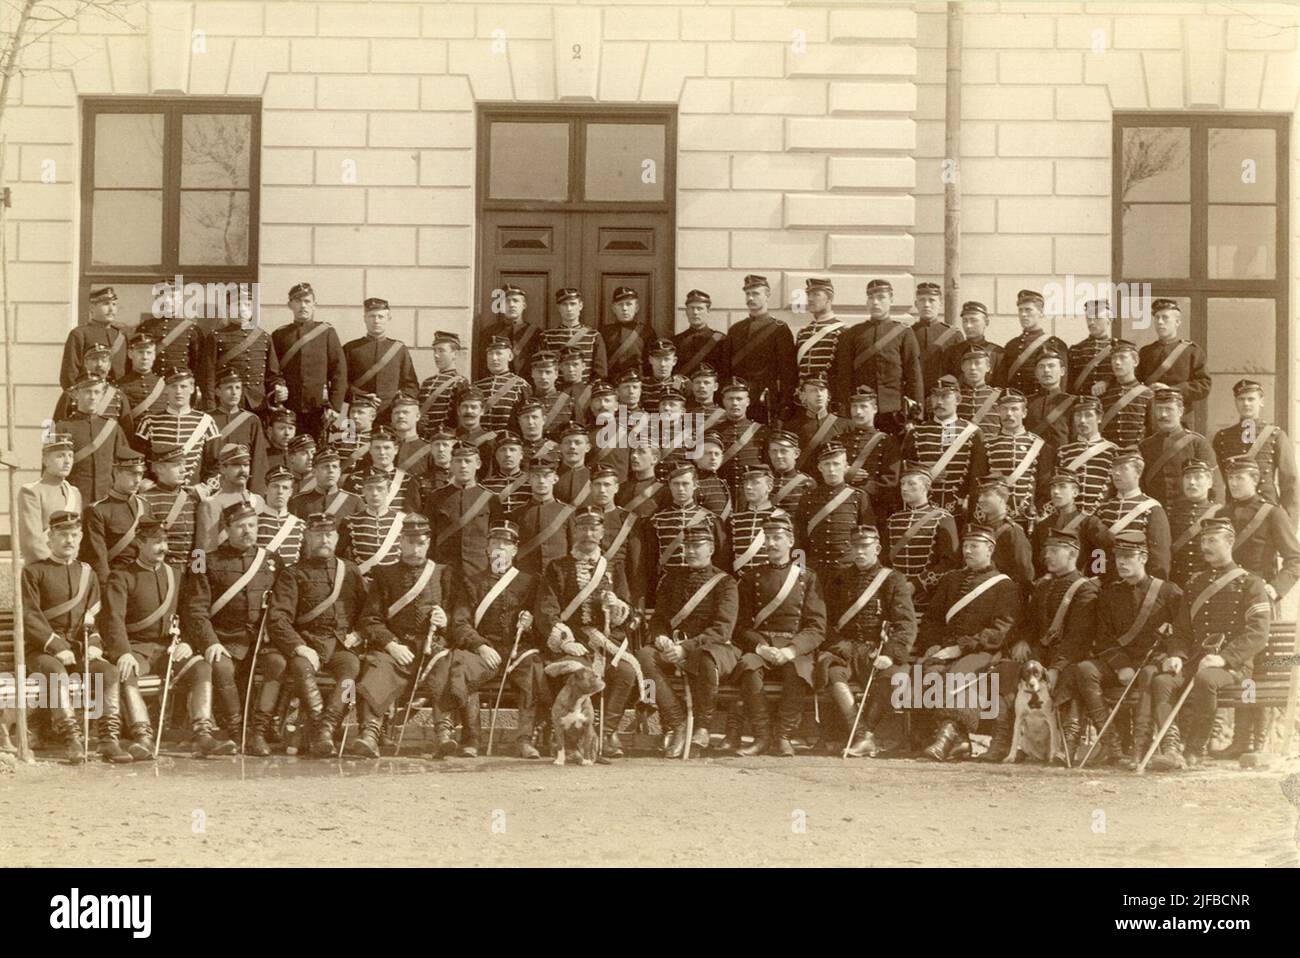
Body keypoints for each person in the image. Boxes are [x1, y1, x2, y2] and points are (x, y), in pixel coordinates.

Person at [103, 519, 237, 757]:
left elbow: (187, 615)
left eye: (165, 541)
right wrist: (123, 652)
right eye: (156, 542)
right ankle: (142, 737)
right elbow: (113, 620)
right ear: (139, 543)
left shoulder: (176, 575)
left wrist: (186, 641)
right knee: (126, 671)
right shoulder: (121, 577)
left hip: (168, 649)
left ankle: (203, 735)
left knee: (200, 667)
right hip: (136, 649)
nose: (163, 547)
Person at [1147, 517, 1270, 770]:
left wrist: (1224, 658)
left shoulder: (1251, 583)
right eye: (1203, 540)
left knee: (1206, 679)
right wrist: (1177, 655)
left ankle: (1195, 749)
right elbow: (1182, 629)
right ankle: (1171, 749)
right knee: (1162, 681)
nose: (1205, 545)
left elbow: (1258, 632)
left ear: (1230, 542)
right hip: (1196, 660)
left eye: (1212, 540)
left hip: (1234, 667)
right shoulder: (1194, 583)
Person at [21, 510, 129, 763]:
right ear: (50, 539)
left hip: (79, 647)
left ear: (80, 538)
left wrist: (92, 644)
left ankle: (108, 740)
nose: (69, 541)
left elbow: (92, 615)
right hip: (42, 651)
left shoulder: (87, 573)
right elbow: (30, 617)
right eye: (62, 535)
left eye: (74, 535)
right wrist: (56, 646)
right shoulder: (34, 572)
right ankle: (73, 740)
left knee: (109, 672)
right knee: (56, 673)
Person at [351, 515, 457, 759]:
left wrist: (445, 619)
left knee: (446, 666)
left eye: (420, 543)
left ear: (428, 542)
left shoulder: (443, 573)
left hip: (431, 646)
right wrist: (391, 645)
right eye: (409, 542)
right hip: (396, 647)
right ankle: (370, 733)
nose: (415, 549)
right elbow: (370, 619)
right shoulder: (384, 574)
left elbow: (458, 615)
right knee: (377, 667)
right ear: (400, 542)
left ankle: (444, 734)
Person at [537, 506, 637, 758]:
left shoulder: (614, 567)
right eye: (583, 528)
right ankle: (566, 735)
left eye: (594, 528)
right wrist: (563, 641)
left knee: (625, 672)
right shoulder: (557, 567)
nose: (588, 534)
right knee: (578, 673)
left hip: (605, 640)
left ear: (602, 533)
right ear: (575, 532)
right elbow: (547, 609)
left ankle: (605, 733)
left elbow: (628, 607)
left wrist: (617, 606)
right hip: (574, 641)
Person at [916, 524, 1021, 762]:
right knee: (930, 671)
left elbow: (1001, 629)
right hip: (948, 649)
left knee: (961, 675)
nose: (968, 551)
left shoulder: (1004, 585)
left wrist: (962, 647)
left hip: (984, 651)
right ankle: (960, 741)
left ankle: (944, 739)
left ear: (990, 549)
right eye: (965, 545)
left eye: (974, 546)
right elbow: (933, 618)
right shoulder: (951, 579)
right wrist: (933, 644)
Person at [180, 502, 280, 754]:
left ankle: (258, 730)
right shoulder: (203, 559)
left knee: (278, 664)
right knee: (221, 666)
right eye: (240, 526)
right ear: (227, 528)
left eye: (252, 525)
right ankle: (237, 731)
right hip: (223, 639)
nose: (248, 531)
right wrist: (210, 642)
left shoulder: (271, 560)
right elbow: (195, 610)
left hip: (259, 642)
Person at [265, 512, 368, 757]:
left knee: (351, 671)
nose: (325, 539)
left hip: (341, 645)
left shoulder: (350, 571)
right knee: (301, 667)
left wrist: (361, 633)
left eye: (329, 534)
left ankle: (325, 727)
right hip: (307, 643)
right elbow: (278, 618)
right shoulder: (293, 573)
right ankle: (319, 723)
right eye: (318, 534)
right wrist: (299, 647)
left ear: (337, 537)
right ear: (307, 537)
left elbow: (369, 612)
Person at [1079, 531, 1182, 770]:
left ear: (1143, 557)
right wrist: (1120, 664)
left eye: (1128, 556)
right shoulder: (1110, 595)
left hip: (1154, 661)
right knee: (1085, 670)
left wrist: (1173, 653)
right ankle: (1111, 745)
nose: (1122, 563)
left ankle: (1140, 747)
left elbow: (1181, 632)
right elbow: (1104, 640)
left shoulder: (1168, 592)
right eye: (1118, 558)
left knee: (1147, 674)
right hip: (1122, 662)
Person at [996, 528, 1100, 762]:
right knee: (1007, 670)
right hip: (1040, 654)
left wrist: (1056, 666)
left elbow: (1079, 637)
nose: (1047, 556)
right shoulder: (1043, 586)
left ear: (1072, 554)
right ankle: (1004, 743)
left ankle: (1065, 746)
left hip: (1070, 657)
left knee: (1067, 680)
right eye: (1046, 551)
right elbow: (1031, 623)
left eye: (1054, 551)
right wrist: (1022, 639)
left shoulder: (1085, 588)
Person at [447, 520, 545, 758]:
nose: (500, 548)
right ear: (487, 550)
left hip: (517, 651)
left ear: (515, 550)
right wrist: (479, 646)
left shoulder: (530, 581)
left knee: (535, 668)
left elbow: (543, 621)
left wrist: (529, 623)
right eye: (495, 543)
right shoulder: (471, 582)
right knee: (462, 666)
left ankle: (524, 739)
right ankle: (471, 738)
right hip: (484, 651)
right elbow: (459, 623)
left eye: (506, 543)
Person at [639, 524, 739, 756]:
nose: (691, 551)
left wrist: (685, 648)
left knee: (705, 659)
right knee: (644, 656)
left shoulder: (725, 583)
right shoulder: (671, 579)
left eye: (697, 546)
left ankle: (703, 726)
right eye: (687, 546)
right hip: (673, 647)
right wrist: (660, 637)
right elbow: (659, 618)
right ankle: (675, 721)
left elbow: (722, 629)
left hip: (713, 649)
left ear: (711, 548)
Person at [733, 511, 826, 757]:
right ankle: (762, 736)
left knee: (798, 670)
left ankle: (784, 735)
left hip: (793, 646)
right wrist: (761, 648)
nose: (771, 543)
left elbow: (817, 626)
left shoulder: (808, 577)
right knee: (748, 666)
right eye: (768, 538)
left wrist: (791, 650)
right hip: (763, 645)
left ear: (790, 541)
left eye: (777, 538)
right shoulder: (752, 577)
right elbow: (740, 625)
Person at [818, 525, 915, 757]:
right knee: (830, 670)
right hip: (847, 648)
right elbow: (827, 621)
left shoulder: (893, 579)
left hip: (877, 649)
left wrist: (889, 654)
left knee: (892, 678)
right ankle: (862, 735)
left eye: (865, 547)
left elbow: (905, 624)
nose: (859, 552)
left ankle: (864, 735)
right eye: (855, 547)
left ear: (878, 548)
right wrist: (836, 644)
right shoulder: (839, 579)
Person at [831, 279, 922, 432]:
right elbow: (844, 377)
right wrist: (846, 412)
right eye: (871, 298)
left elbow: (914, 375)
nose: (875, 302)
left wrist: (915, 416)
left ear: (891, 300)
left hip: (895, 412)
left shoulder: (904, 332)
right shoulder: (853, 334)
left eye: (881, 298)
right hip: (862, 412)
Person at [900, 375, 987, 524]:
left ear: (958, 400)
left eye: (945, 396)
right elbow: (905, 468)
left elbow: (977, 475)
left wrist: (971, 504)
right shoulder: (917, 432)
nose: (939, 402)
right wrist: (928, 473)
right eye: (935, 396)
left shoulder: (972, 432)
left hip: (959, 508)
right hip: (922, 508)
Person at [1212, 378, 1298, 521]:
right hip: (1233, 513)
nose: (1246, 403)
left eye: (1251, 399)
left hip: (1266, 513)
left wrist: (1290, 521)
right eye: (1241, 399)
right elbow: (1216, 481)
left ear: (1261, 401)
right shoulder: (1222, 437)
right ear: (1235, 402)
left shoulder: (1275, 435)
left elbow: (1289, 480)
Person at [271, 282, 348, 440]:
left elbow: (339, 371)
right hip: (288, 408)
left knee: (316, 452)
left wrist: (335, 407)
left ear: (314, 304)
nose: (303, 306)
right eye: (298, 301)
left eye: (307, 301)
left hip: (318, 408)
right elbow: (273, 370)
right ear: (290, 305)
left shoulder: (326, 332)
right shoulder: (279, 335)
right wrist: (279, 386)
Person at [886, 462, 960, 614]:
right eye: (902, 483)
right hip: (895, 592)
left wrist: (916, 585)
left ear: (926, 486)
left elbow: (949, 561)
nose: (904, 488)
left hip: (928, 594)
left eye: (911, 483)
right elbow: (884, 559)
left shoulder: (943, 518)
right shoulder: (893, 520)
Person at [794, 441, 874, 579]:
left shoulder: (858, 497)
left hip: (848, 570)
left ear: (845, 467)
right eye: (827, 464)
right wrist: (799, 571)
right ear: (820, 467)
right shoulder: (807, 498)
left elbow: (868, 537)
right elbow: (799, 538)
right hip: (815, 571)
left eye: (836, 464)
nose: (831, 469)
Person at [726, 275, 796, 424]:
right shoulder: (735, 330)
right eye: (747, 294)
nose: (750, 298)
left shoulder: (779, 329)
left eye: (755, 293)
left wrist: (784, 406)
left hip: (767, 402)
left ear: (767, 295)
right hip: (738, 402)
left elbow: (788, 373)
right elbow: (726, 369)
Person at [1093, 449, 1171, 582]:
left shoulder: (1152, 509)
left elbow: (1159, 558)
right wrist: (1100, 578)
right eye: (1114, 468)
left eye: (1123, 468)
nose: (1116, 473)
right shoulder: (1103, 509)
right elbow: (1098, 551)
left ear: (1138, 473)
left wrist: (1152, 590)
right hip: (1108, 584)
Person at [134, 366, 219, 487]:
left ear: (192, 389)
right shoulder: (149, 422)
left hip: (193, 492)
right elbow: (139, 460)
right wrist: (146, 483)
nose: (178, 391)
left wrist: (206, 488)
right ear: (166, 389)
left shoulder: (206, 422)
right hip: (158, 493)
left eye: (183, 386)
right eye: (173, 386)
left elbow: (215, 464)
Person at [58, 373, 134, 506]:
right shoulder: (62, 428)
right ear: (75, 394)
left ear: (103, 395)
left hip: (107, 501)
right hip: (74, 500)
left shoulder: (113, 428)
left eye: (97, 392)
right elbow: (51, 469)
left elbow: (125, 466)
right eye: (87, 392)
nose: (92, 397)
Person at [81, 450, 150, 588]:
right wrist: (109, 589)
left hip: (144, 581)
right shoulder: (97, 510)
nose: (137, 480)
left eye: (140, 474)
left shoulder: (145, 505)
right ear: (116, 473)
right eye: (132, 474)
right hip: (116, 583)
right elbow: (98, 558)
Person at [1136, 299, 1211, 423]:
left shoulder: (1192, 351)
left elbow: (1204, 385)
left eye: (1165, 318)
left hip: (1181, 418)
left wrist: (1171, 390)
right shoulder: (1146, 352)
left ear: (1177, 322)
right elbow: (1136, 383)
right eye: (1157, 318)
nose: (1160, 322)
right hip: (1151, 417)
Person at [342, 297, 419, 417]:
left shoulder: (399, 349)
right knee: (351, 436)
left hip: (390, 416)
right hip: (358, 415)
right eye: (371, 316)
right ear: (364, 319)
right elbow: (340, 383)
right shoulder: (350, 348)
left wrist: (398, 402)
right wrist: (361, 396)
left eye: (380, 316)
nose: (376, 321)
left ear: (388, 319)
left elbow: (411, 386)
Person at [1138, 389, 1215, 508]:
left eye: (1169, 409)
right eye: (1159, 409)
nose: (1163, 415)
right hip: (1158, 513)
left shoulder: (1197, 443)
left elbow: (1213, 485)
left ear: (1180, 411)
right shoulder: (1145, 446)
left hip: (1187, 515)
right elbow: (1141, 485)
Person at [206, 302, 283, 414]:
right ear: (227, 308)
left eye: (247, 305)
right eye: (236, 305)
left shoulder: (264, 337)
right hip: (226, 403)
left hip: (258, 404)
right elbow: (208, 375)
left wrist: (279, 387)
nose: (241, 309)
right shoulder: (215, 337)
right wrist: (211, 405)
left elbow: (273, 374)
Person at [17, 433, 83, 564]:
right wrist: (54, 568)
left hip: (69, 566)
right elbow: (32, 541)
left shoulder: (74, 493)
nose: (67, 461)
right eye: (60, 456)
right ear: (45, 460)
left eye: (70, 456)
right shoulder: (31, 492)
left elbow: (76, 536)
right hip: (42, 567)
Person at [992, 289, 1068, 397]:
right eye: (1020, 310)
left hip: (1041, 403)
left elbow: (1063, 383)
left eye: (1028, 310)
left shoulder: (1055, 344)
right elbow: (1002, 382)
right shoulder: (1011, 345)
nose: (1023, 314)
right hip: (1015, 406)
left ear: (1041, 313)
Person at [61, 286, 127, 389]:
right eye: (106, 304)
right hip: (89, 396)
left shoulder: (121, 336)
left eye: (114, 304)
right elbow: (69, 375)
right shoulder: (80, 334)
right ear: (92, 308)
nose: (111, 309)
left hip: (116, 400)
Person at [1099, 340, 1155, 449]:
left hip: (1136, 456)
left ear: (1135, 361)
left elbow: (1153, 432)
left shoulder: (1147, 394)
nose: (1117, 362)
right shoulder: (1103, 394)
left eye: (1122, 357)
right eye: (1114, 358)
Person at [793, 277, 847, 390]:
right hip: (804, 399)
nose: (810, 299)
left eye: (816, 294)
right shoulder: (803, 333)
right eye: (809, 295)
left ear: (829, 298)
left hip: (828, 398)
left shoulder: (843, 331)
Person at [541, 288, 607, 380]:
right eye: (564, 304)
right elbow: (543, 368)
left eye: (573, 304)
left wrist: (587, 390)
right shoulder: (547, 336)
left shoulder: (593, 335)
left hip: (585, 391)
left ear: (580, 306)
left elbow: (600, 372)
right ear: (558, 308)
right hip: (557, 391)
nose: (569, 309)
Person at [417, 330, 470, 438]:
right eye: (435, 351)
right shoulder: (427, 382)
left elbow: (460, 419)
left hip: (446, 439)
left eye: (441, 351)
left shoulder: (460, 382)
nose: (436, 355)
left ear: (454, 354)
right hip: (424, 439)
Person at [474, 336, 531, 435]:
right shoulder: (476, 387)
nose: (494, 358)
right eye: (490, 353)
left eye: (499, 353)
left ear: (510, 357)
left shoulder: (521, 385)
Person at [911, 280, 961, 392]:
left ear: (941, 303)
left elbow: (958, 372)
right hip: (914, 395)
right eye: (922, 300)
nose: (926, 305)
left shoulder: (953, 335)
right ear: (916, 304)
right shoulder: (908, 333)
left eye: (932, 300)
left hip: (943, 395)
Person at [600, 286, 653, 378]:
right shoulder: (605, 332)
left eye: (628, 304)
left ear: (636, 308)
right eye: (620, 304)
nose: (624, 308)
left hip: (636, 383)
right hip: (612, 384)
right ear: (613, 308)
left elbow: (651, 363)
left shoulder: (646, 332)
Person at [257, 466, 306, 567]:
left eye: (285, 487)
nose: (280, 491)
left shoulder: (299, 525)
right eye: (275, 486)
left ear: (291, 492)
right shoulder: (254, 522)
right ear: (266, 489)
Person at [673, 289, 726, 381]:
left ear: (708, 311)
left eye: (699, 308)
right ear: (686, 311)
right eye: (691, 308)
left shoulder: (720, 340)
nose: (695, 312)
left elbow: (725, 372)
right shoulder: (676, 341)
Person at [943, 301, 1003, 380]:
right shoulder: (951, 352)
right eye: (965, 321)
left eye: (974, 320)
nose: (968, 326)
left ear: (986, 322)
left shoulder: (997, 353)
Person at [1066, 299, 1115, 398]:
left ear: (1109, 319)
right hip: (1083, 405)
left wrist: (1107, 381)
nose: (1091, 322)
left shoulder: (1119, 348)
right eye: (1088, 318)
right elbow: (1069, 384)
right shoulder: (1076, 350)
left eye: (1097, 318)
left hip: (1110, 403)